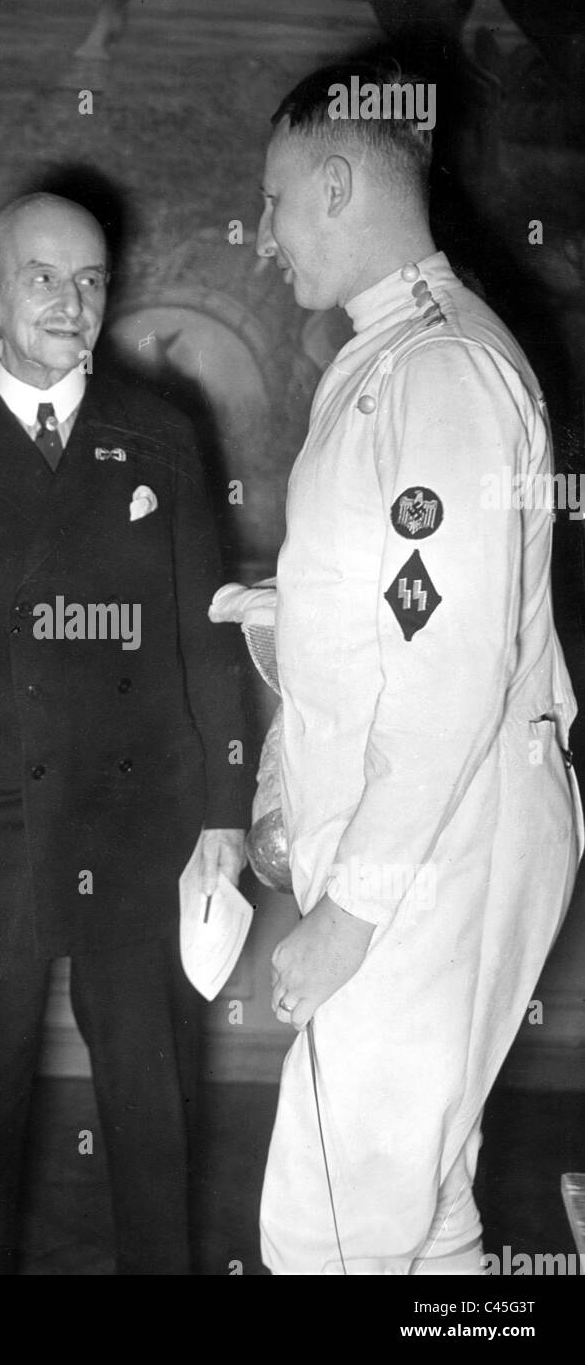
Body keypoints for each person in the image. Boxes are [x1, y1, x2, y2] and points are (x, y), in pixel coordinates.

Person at [229, 61, 583, 1275]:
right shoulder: (387, 357)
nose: (265, 235)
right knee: (416, 1205)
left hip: (440, 854)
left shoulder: (437, 372)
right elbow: (377, 621)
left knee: (331, 1228)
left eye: (274, 200)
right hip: (425, 841)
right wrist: (292, 787)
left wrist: (350, 913)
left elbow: (445, 682)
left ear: (336, 182)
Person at [0, 192, 248, 1274]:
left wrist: (224, 812)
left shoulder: (161, 434)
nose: (71, 302)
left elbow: (207, 637)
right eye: (43, 277)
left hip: (138, 828)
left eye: (90, 281)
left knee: (153, 1114)